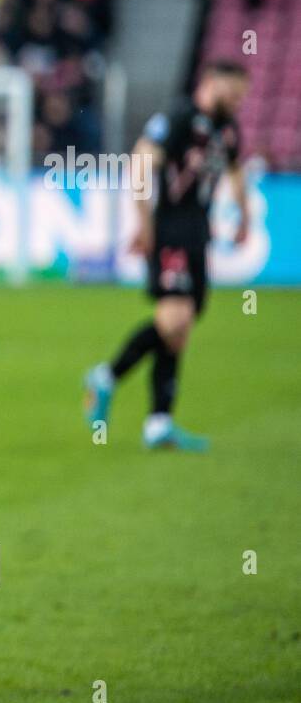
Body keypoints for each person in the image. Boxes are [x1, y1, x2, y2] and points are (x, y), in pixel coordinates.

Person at [84, 61, 250, 451]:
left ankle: (158, 422)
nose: (239, 102)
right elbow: (141, 161)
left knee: (180, 331)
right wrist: (144, 223)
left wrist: (245, 215)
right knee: (174, 319)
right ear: (210, 84)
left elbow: (236, 170)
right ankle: (106, 376)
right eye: (233, 93)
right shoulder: (178, 117)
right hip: (170, 232)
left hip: (199, 237)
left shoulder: (226, 128)